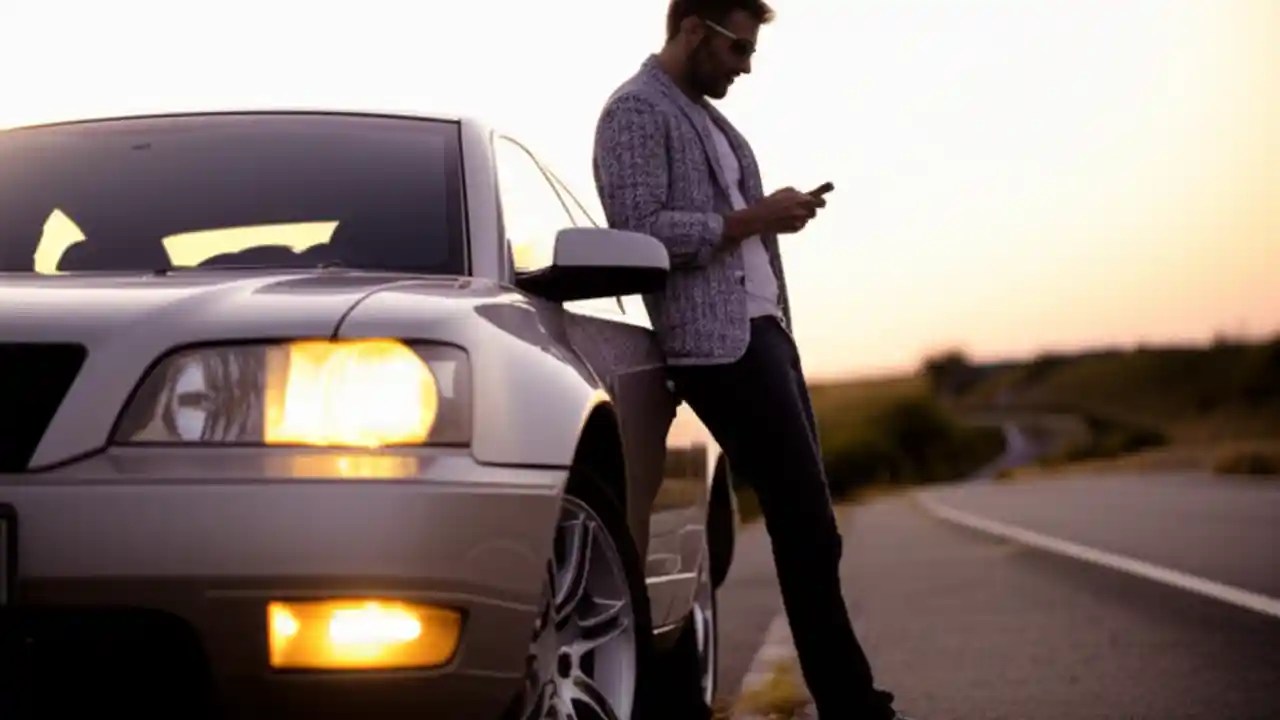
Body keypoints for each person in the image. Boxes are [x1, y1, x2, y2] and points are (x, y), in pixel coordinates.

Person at [592, 1, 910, 718]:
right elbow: (638, 233)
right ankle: (852, 704)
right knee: (805, 523)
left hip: (764, 333)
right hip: (717, 347)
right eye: (739, 49)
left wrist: (767, 217)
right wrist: (755, 218)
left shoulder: (710, 119)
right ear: (696, 30)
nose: (746, 67)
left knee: (811, 525)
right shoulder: (635, 112)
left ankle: (849, 699)